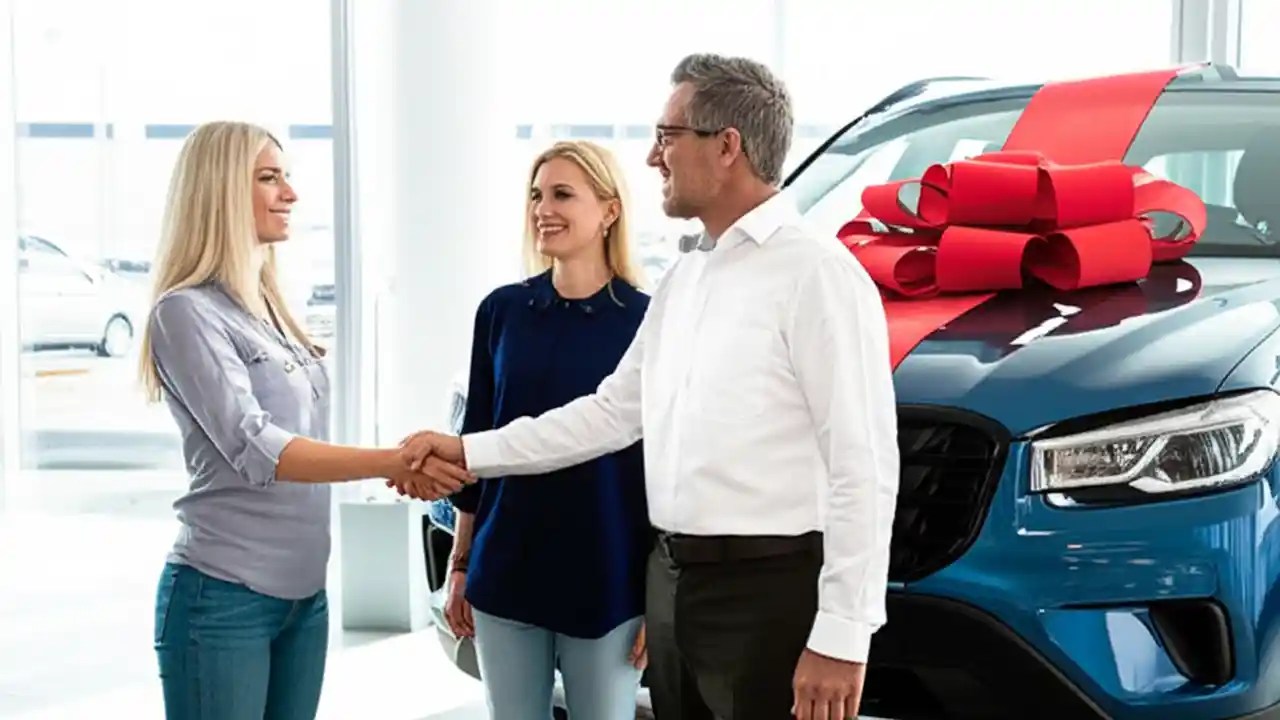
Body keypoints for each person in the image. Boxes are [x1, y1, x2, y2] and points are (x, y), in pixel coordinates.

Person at [399, 52, 899, 720]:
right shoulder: (687, 278)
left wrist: (843, 633)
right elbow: (611, 413)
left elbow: (862, 465)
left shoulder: (818, 275)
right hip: (672, 585)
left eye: (668, 137)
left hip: (767, 590)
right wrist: (469, 453)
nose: (653, 158)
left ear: (727, 146)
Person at [138, 121, 470, 720]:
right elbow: (262, 448)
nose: (289, 194)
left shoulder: (267, 309)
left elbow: (301, 441)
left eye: (286, 177)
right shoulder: (184, 313)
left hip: (303, 597)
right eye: (270, 178)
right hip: (221, 595)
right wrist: (396, 463)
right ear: (218, 191)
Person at [440, 140, 652, 719]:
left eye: (562, 194)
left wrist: (661, 600)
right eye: (536, 195)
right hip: (507, 569)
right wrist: (461, 563)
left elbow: (664, 465)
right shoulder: (501, 311)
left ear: (610, 210)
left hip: (608, 577)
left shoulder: (649, 320)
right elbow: (478, 441)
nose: (542, 209)